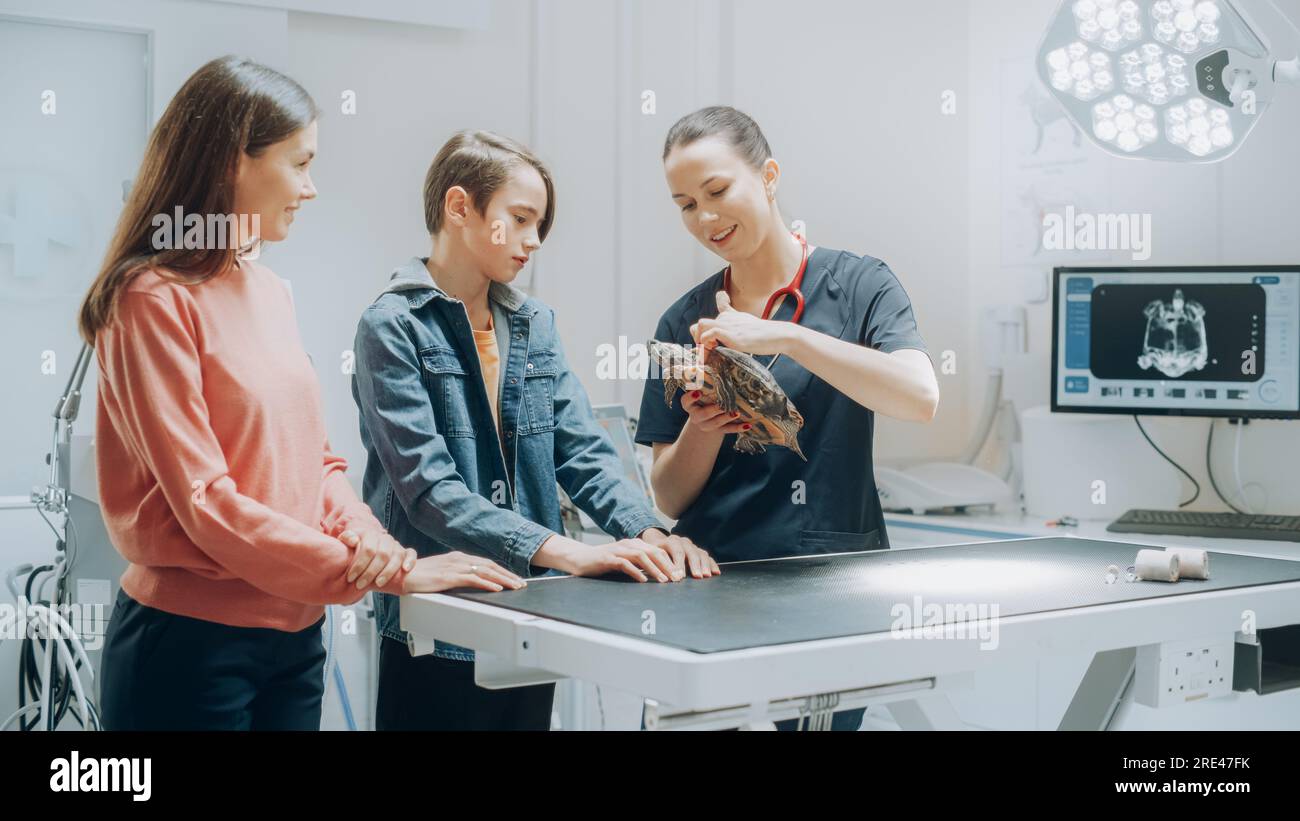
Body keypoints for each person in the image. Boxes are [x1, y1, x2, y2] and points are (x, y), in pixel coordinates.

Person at [82, 57, 517, 731]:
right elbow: (206, 502)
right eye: (299, 162)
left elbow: (316, 464)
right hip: (191, 646)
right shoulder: (150, 299)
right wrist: (380, 573)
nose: (311, 188)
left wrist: (376, 547)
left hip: (296, 640)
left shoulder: (269, 289)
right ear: (233, 160)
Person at [352, 130, 718, 731]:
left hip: (531, 617)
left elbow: (580, 451)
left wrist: (648, 531)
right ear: (459, 207)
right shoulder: (391, 326)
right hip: (437, 621)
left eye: (540, 224)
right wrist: (573, 554)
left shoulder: (533, 323)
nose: (534, 241)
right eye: (520, 219)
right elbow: (428, 490)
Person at [635, 106, 940, 731]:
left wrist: (784, 336)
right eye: (686, 204)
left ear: (768, 176)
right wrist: (703, 426)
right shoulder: (684, 319)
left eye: (718, 191)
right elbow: (667, 496)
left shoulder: (860, 285)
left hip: (828, 587)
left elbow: (919, 396)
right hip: (709, 585)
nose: (706, 218)